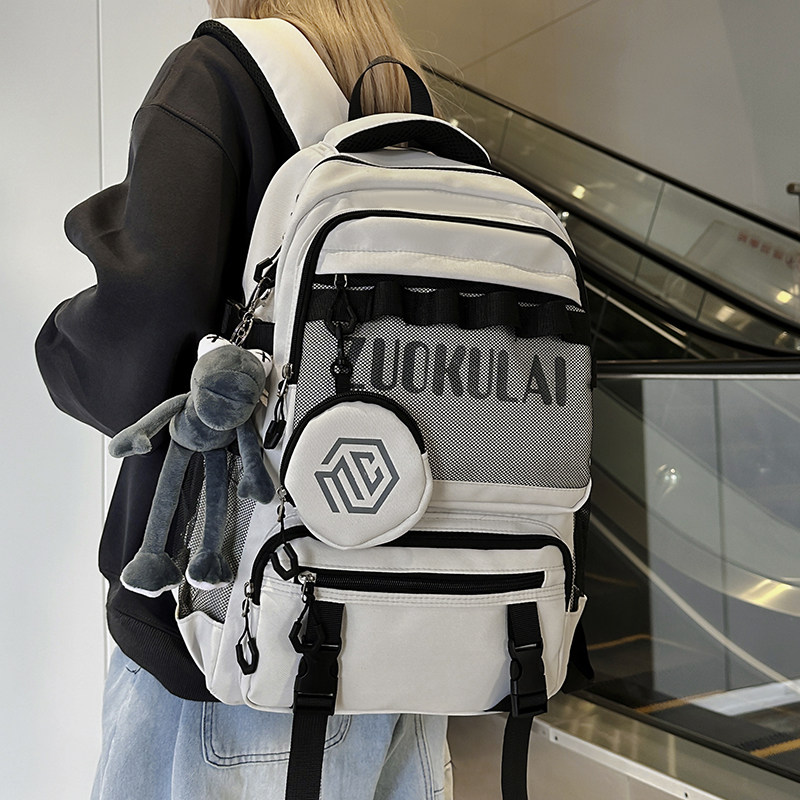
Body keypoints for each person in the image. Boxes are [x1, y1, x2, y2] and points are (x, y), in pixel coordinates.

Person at [35, 2, 451, 798]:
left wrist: (58, 342)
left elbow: (144, 337)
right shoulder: (414, 118)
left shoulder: (220, 77)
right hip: (418, 647)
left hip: (233, 648)